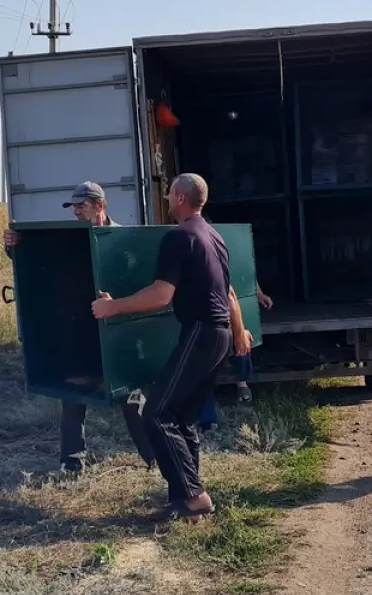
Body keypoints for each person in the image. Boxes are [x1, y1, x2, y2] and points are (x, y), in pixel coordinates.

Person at [91, 173, 253, 520]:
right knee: (182, 417)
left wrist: (112, 306)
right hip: (219, 335)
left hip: (202, 333)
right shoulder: (213, 235)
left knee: (156, 413)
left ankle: (194, 496)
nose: (165, 196)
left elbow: (162, 294)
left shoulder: (179, 237)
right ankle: (187, 501)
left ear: (180, 197)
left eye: (169, 192)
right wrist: (239, 329)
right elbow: (228, 291)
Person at [4, 181, 158, 473]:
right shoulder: (69, 239)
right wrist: (13, 247)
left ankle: (154, 457)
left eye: (81, 206)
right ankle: (72, 461)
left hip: (116, 327)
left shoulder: (124, 237)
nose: (75, 211)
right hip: (79, 328)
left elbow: (140, 279)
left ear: (100, 206)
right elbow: (39, 261)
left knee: (131, 395)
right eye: (73, 206)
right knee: (73, 392)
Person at [198, 284, 271, 431]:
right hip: (200, 325)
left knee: (242, 346)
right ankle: (208, 421)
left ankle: (242, 384)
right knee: (201, 372)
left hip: (221, 322)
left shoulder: (217, 265)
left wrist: (259, 293)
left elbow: (231, 291)